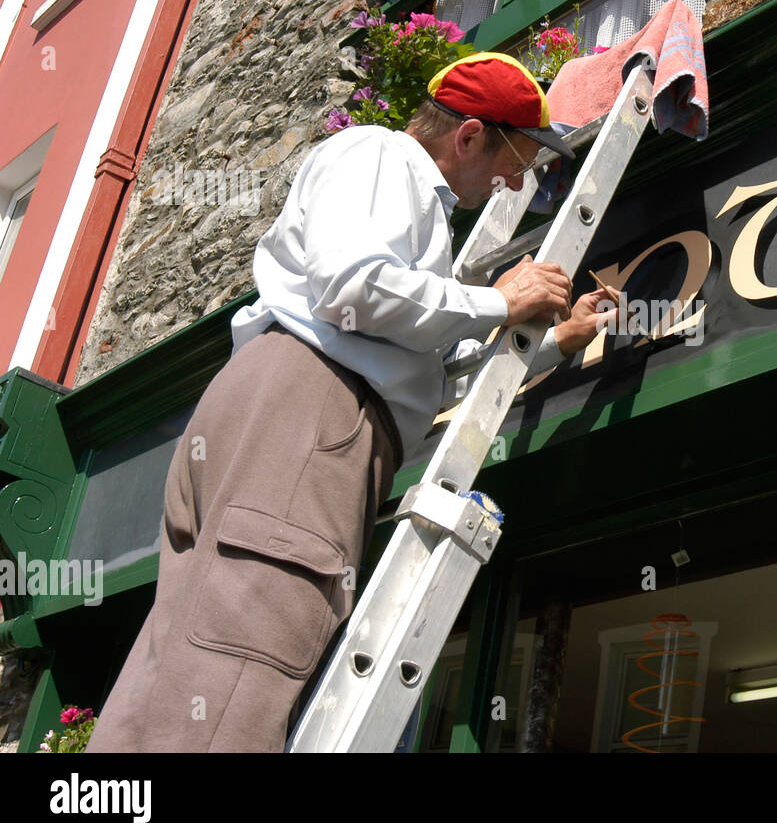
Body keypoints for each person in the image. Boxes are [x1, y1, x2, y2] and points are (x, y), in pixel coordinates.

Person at [87, 53, 612, 752]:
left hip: (293, 406)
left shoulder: (405, 197)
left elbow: (425, 360)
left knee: (192, 656)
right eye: (514, 158)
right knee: (251, 646)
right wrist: (496, 300)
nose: (515, 181)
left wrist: (555, 341)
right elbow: (355, 287)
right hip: (315, 413)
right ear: (469, 137)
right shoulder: (382, 157)